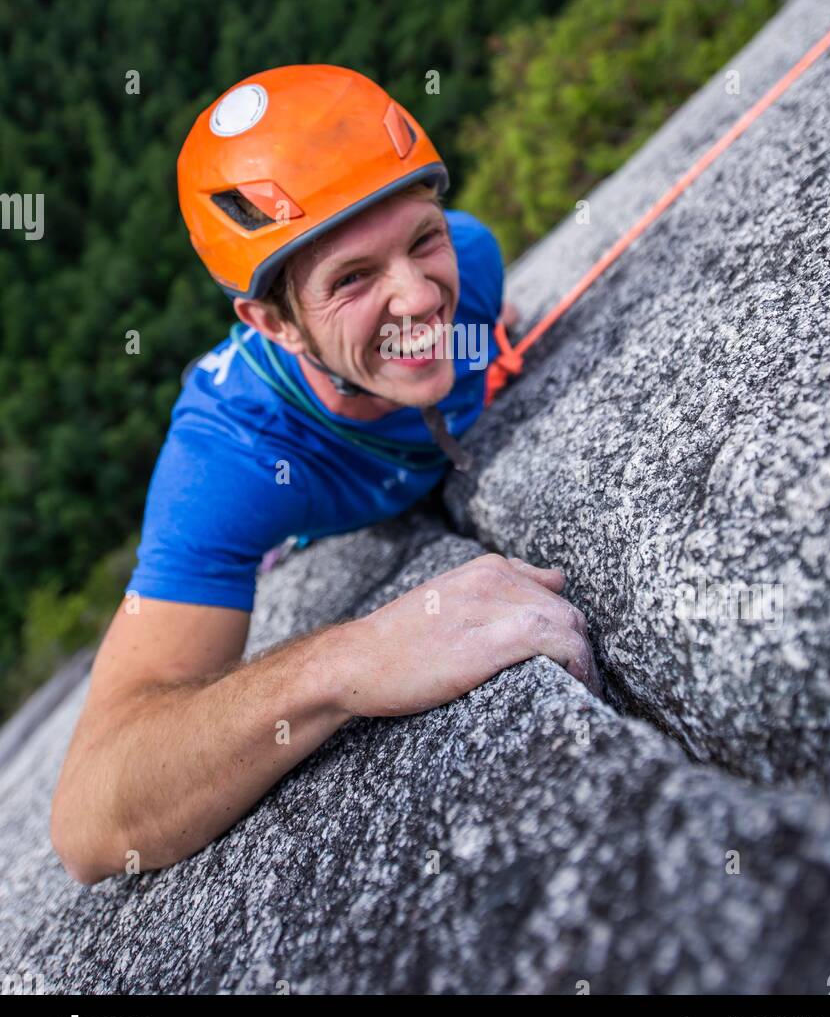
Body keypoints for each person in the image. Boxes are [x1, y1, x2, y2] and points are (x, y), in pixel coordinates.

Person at [50, 64, 599, 885]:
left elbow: (461, 321)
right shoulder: (228, 459)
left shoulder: (473, 265)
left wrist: (483, 350)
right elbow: (90, 816)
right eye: (351, 279)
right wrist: (348, 663)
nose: (418, 297)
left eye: (422, 237)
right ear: (272, 322)